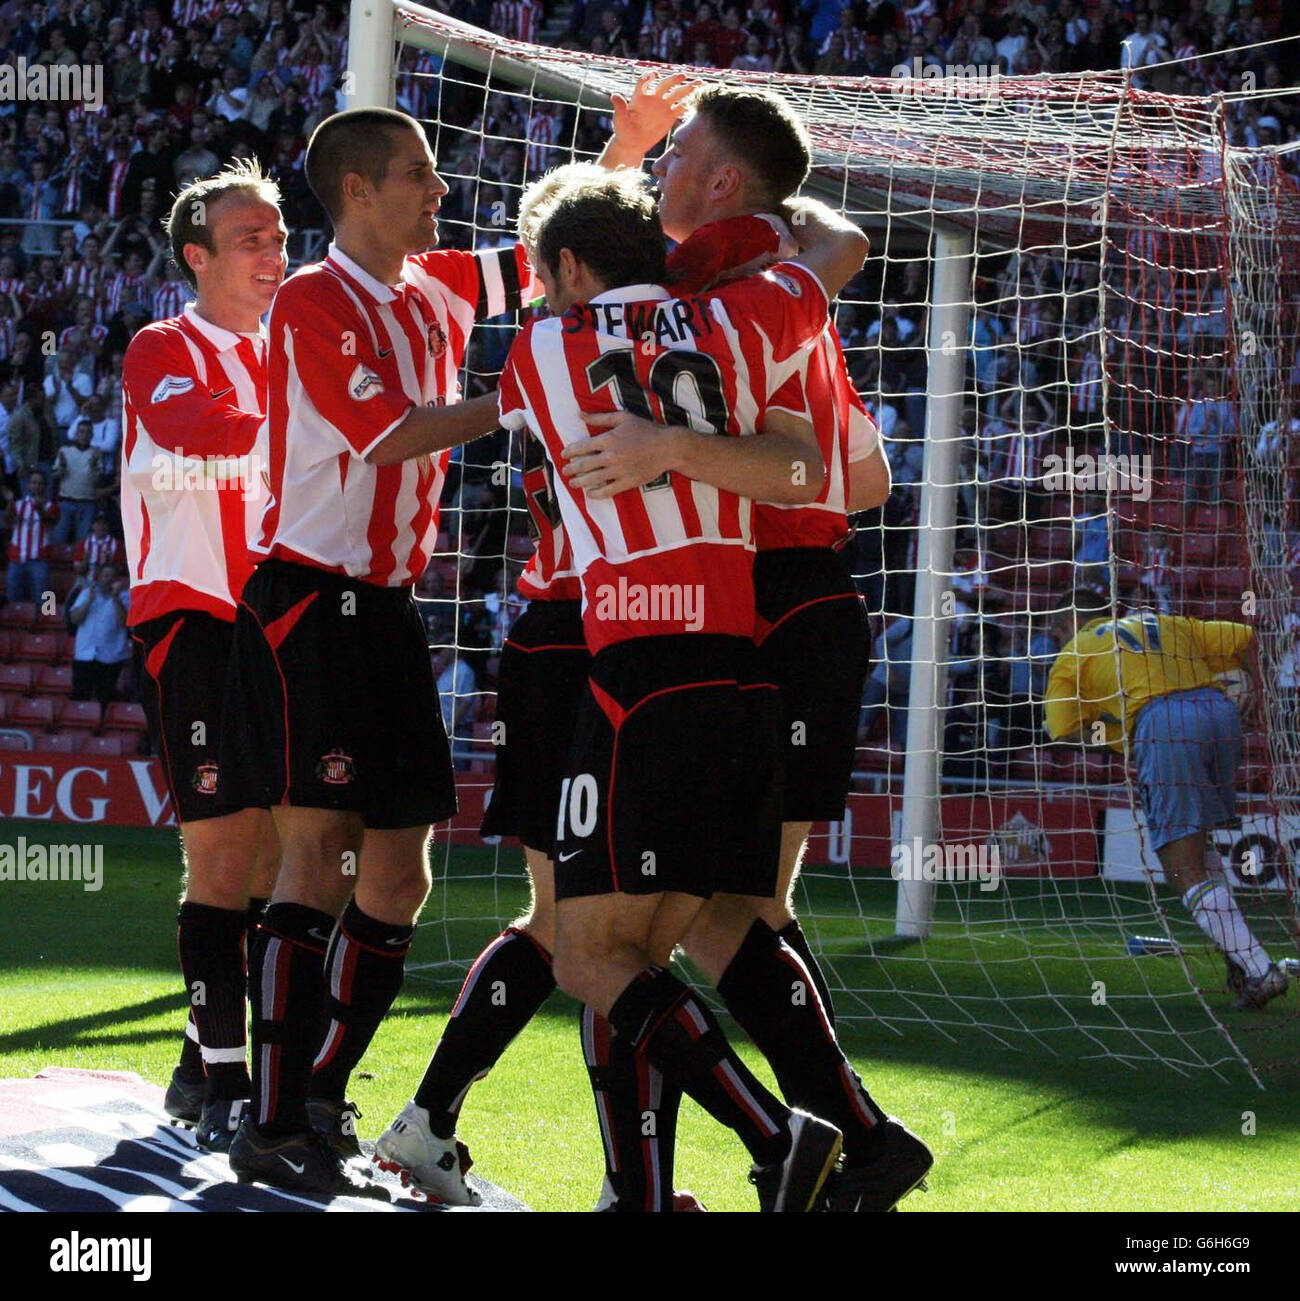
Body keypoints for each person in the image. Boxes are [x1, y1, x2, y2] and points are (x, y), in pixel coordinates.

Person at [578, 76, 928, 1211]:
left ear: (722, 182)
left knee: (720, 912)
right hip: (754, 600)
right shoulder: (760, 281)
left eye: (675, 150)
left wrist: (665, 450)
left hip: (779, 600)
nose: (659, 166)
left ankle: (835, 1143)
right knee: (706, 911)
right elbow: (863, 459)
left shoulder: (747, 291)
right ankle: (825, 1145)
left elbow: (831, 472)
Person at [490, 163, 854, 1210]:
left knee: (587, 956)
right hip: (744, 677)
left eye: (552, 273)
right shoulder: (740, 323)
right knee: (645, 950)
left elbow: (522, 399)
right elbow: (828, 257)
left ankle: (779, 1132)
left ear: (565, 267)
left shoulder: (540, 349)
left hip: (640, 680)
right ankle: (645, 1192)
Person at [220, 107, 539, 1197]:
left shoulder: (436, 286)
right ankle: (265, 1120)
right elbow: (392, 430)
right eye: (419, 174)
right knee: (317, 857)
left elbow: (555, 248)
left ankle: (315, 1089)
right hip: (311, 601)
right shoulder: (312, 298)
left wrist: (633, 148)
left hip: (389, 608)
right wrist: (519, 401)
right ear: (358, 190)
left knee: (399, 873)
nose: (439, 192)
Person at [121, 159, 287, 1152]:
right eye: (251, 239)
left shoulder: (289, 354)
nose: (275, 253)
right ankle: (229, 1080)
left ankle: (203, 1063)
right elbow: (200, 429)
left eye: (279, 235)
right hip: (195, 614)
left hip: (278, 620)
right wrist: (319, 421)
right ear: (198, 257)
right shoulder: (163, 347)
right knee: (222, 849)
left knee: (283, 855)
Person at [1044, 586, 1289, 1009]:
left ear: (1065, 624)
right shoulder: (1162, 621)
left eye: (1054, 630)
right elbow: (1248, 638)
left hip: (1163, 724)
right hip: (1219, 713)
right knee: (1200, 845)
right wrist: (1257, 705)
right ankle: (1240, 957)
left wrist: (1123, 740)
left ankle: (1261, 969)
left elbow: (1062, 730)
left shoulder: (1074, 651)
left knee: (1182, 867)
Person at [68, 561, 131, 706]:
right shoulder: (86, 594)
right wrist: (89, 600)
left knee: (105, 698)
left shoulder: (125, 597)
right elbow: (74, 619)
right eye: (106, 575)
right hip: (85, 654)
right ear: (99, 578)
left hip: (111, 656)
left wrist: (116, 598)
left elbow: (124, 623)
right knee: (80, 695)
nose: (109, 579)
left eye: (113, 577)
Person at [4, 469, 58, 604]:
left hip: (40, 560)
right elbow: (8, 520)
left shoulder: (52, 506)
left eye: (40, 483)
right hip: (17, 559)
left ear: (45, 486)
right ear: (28, 485)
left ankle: (49, 619)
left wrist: (39, 508)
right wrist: (9, 502)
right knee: (13, 597)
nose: (37, 486)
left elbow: (50, 522)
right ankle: (15, 623)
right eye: (34, 483)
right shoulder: (18, 505)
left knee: (45, 596)